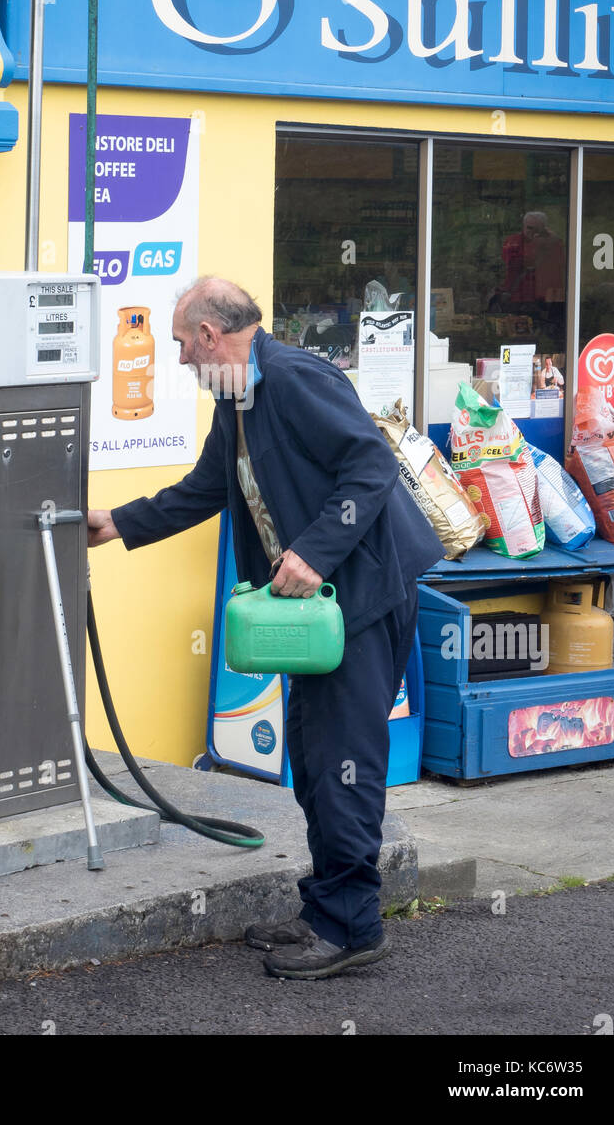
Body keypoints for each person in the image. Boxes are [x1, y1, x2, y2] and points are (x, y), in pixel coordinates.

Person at [88, 277, 443, 979]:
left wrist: (315, 551)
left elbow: (371, 464)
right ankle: (325, 910)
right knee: (313, 761)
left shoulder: (293, 378)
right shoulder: (239, 398)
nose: (182, 358)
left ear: (212, 335)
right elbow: (205, 490)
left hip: (361, 596)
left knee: (345, 761)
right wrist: (118, 524)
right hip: (318, 607)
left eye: (184, 344)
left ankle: (354, 928)